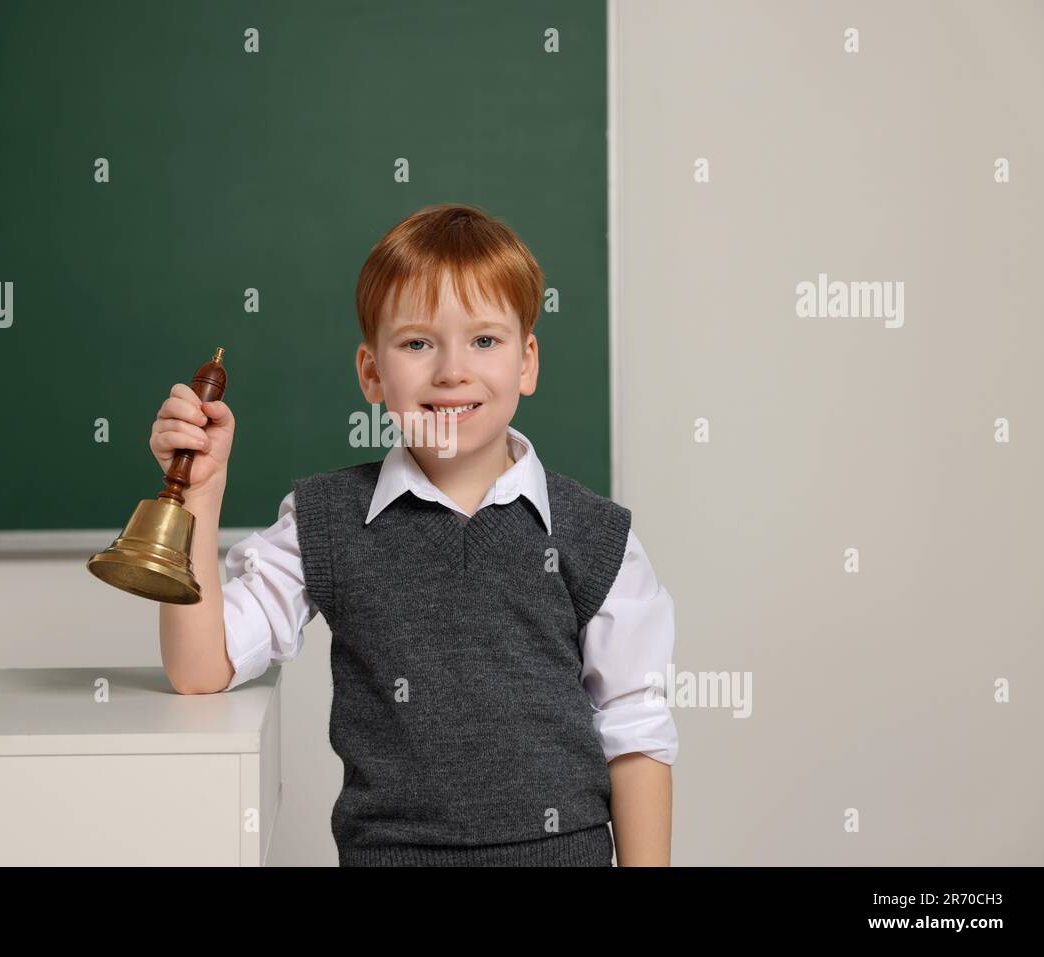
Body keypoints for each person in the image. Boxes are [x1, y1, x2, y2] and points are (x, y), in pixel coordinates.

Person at [151, 203, 677, 866]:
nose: (452, 370)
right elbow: (200, 668)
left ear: (526, 362)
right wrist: (199, 494)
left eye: (484, 340)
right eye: (418, 342)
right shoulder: (327, 520)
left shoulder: (595, 536)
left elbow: (636, 736)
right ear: (371, 372)